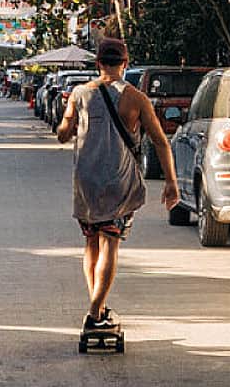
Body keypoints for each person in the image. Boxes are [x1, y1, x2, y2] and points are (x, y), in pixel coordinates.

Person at [56, 37, 180, 333]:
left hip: (86, 182)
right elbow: (161, 142)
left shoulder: (79, 93)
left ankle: (97, 310)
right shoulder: (137, 98)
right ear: (125, 64)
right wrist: (171, 182)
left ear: (98, 63)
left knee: (91, 243)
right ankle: (95, 310)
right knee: (110, 241)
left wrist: (67, 118)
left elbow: (63, 134)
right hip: (119, 183)